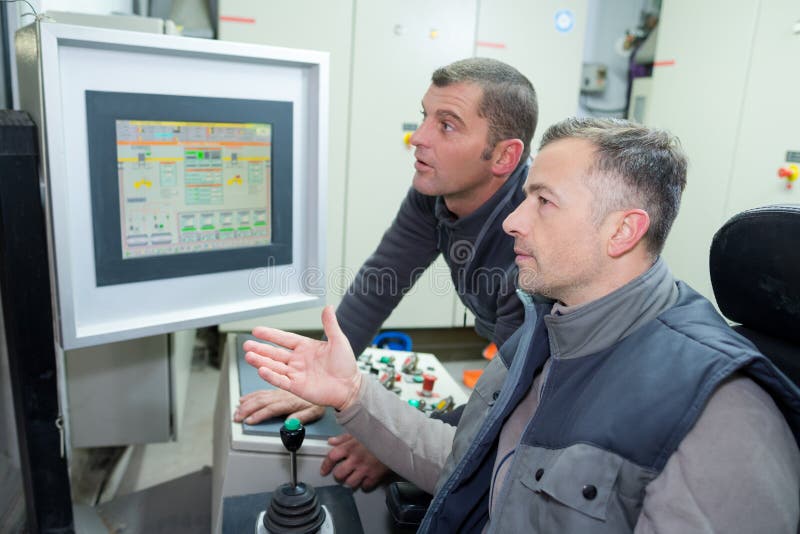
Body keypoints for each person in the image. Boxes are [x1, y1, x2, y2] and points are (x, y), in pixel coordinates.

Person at [243, 117, 800, 532]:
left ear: (622, 232)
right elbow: (470, 463)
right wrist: (353, 394)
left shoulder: (724, 416)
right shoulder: (546, 328)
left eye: (543, 201)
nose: (512, 219)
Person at [234, 57, 538, 489]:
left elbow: (511, 401)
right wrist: (321, 371)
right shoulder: (434, 192)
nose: (418, 138)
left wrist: (396, 441)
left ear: (504, 156)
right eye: (425, 116)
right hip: (513, 378)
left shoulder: (534, 240)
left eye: (447, 125)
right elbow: (380, 281)